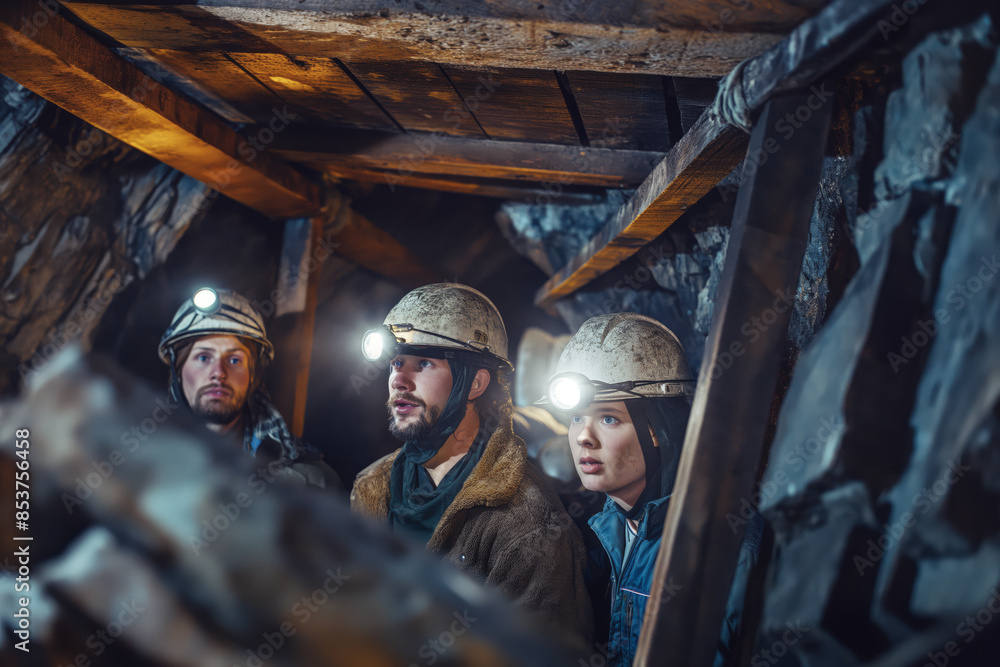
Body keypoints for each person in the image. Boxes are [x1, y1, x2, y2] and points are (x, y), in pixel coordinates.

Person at [351, 283, 593, 642]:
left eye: (423, 364)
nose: (399, 380)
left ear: (475, 383)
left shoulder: (527, 523)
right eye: (396, 363)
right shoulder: (370, 488)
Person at [544, 312, 762, 666]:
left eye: (608, 418)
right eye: (577, 418)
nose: (584, 436)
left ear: (657, 430)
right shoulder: (602, 530)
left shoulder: (729, 547)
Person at [158, 287, 340, 489]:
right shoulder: (136, 464)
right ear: (177, 371)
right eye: (203, 357)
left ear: (254, 374)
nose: (218, 372)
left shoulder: (313, 481)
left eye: (234, 360)